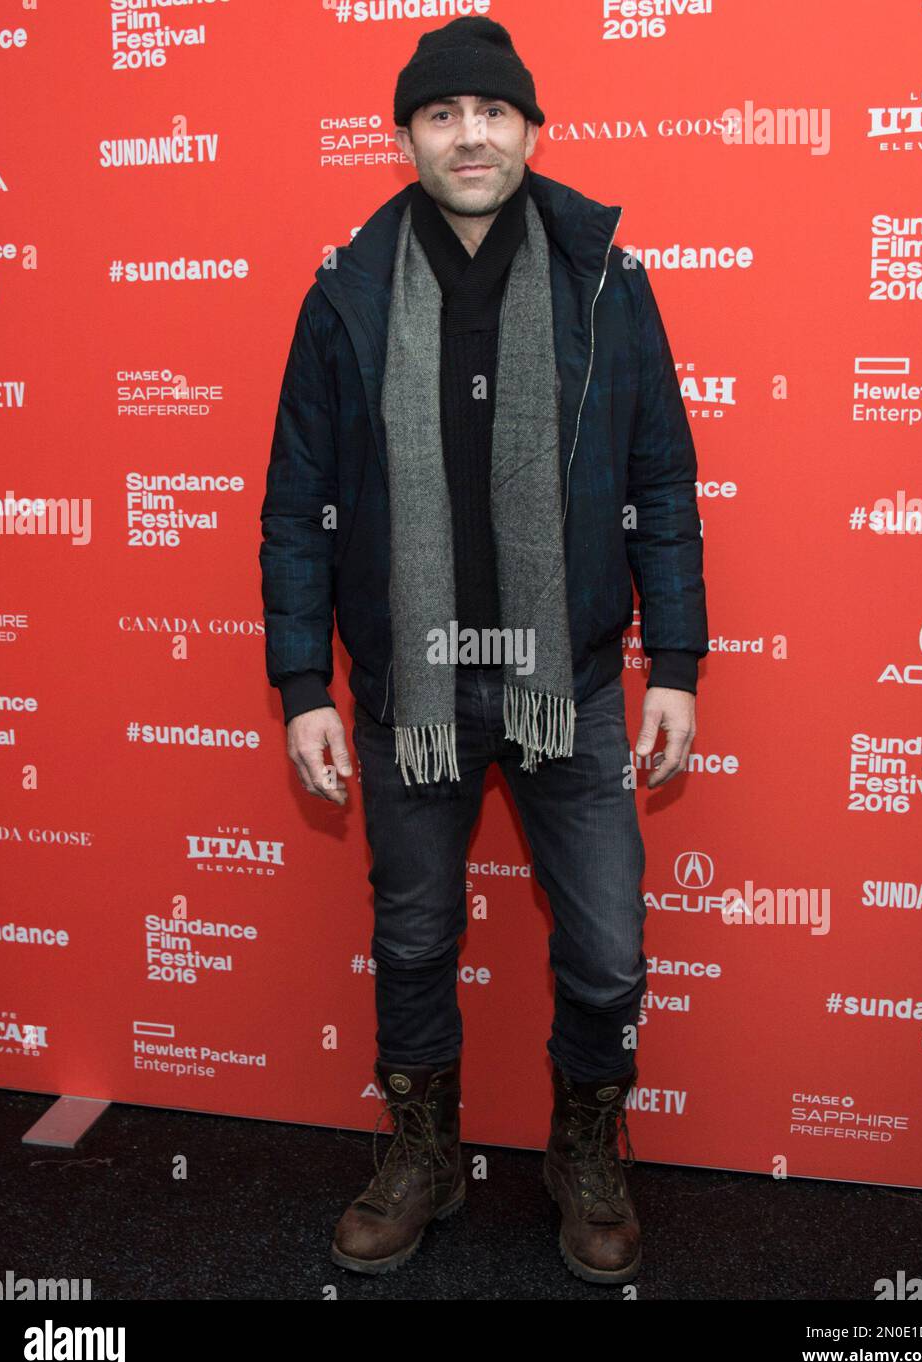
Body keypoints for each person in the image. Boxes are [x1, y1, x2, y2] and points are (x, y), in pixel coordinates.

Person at [259, 15, 707, 1284]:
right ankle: (423, 1150)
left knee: (608, 942)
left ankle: (582, 1146)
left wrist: (672, 658)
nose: (470, 134)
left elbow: (660, 483)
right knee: (410, 933)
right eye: (443, 114)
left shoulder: (603, 282)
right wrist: (304, 685)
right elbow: (296, 503)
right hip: (411, 688)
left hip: (563, 676)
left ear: (528, 130)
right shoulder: (345, 295)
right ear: (406, 136)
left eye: (493, 113)